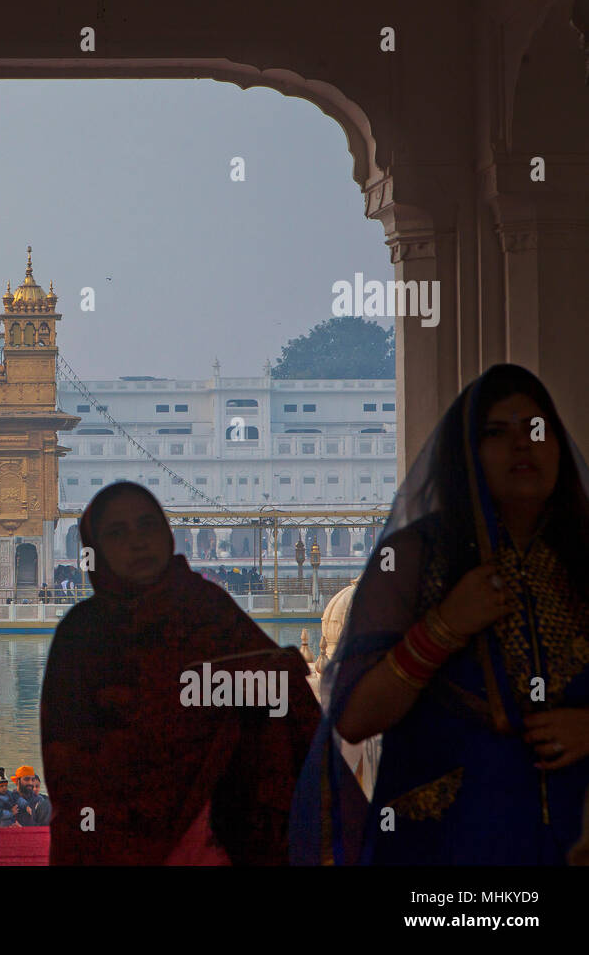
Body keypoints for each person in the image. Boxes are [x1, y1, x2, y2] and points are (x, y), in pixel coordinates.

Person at [291, 364, 589, 865]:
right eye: (498, 432)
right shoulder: (416, 559)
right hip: (443, 844)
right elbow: (356, 718)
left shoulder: (580, 559)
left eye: (536, 429)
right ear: (466, 454)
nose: (523, 445)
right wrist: (445, 627)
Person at [40, 481, 320, 865]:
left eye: (147, 526)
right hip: (118, 834)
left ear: (166, 532)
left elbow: (273, 684)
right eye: (117, 533)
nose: (137, 542)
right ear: (95, 549)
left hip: (213, 829)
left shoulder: (205, 606)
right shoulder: (84, 632)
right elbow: (67, 760)